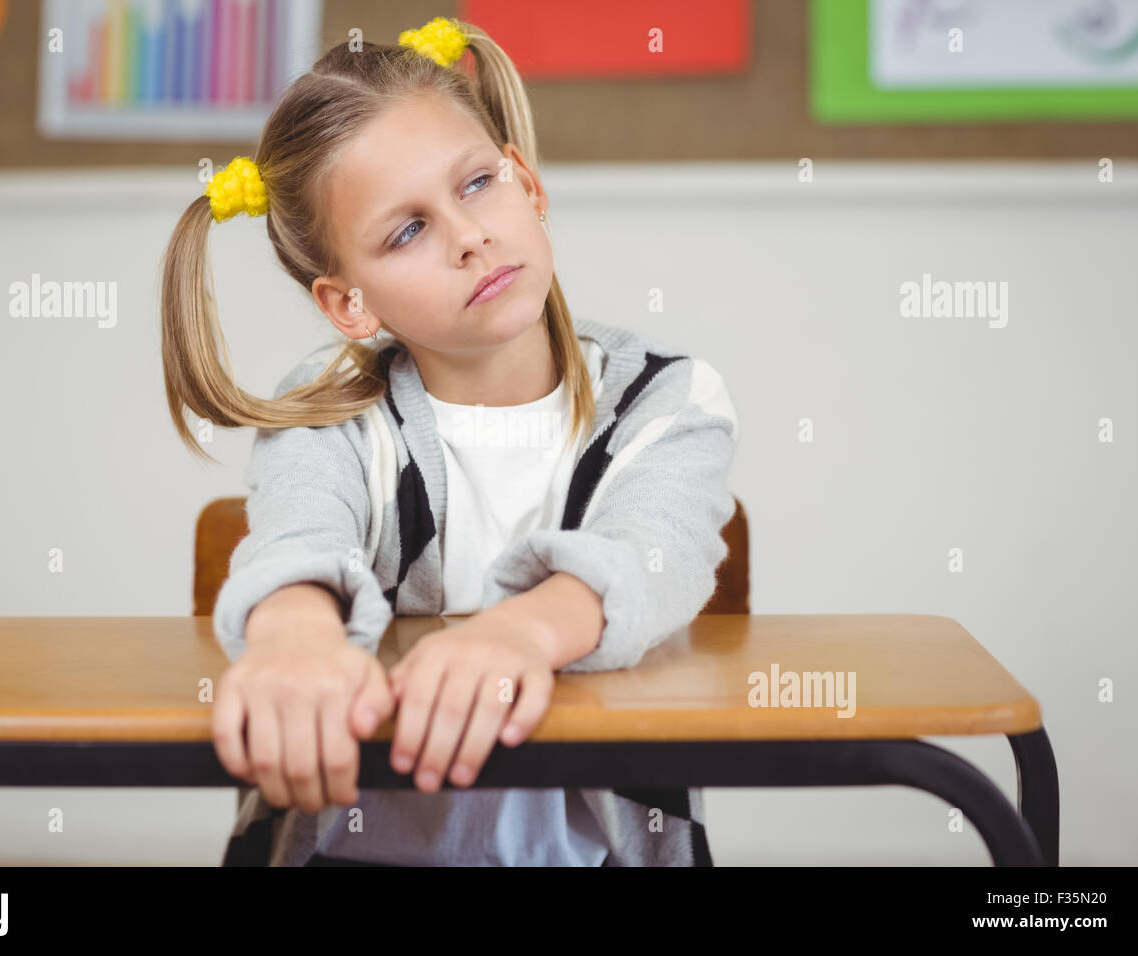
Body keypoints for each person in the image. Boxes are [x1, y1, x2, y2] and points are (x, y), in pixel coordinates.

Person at [160, 15, 739, 866]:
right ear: (349, 304)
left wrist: (520, 634)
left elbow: (657, 553)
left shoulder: (667, 399)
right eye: (408, 230)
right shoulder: (329, 412)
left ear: (529, 186)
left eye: (477, 184)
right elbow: (298, 535)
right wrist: (292, 636)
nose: (469, 236)